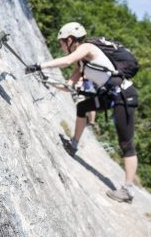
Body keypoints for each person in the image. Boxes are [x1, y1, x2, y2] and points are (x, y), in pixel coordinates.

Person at [25, 22, 138, 204]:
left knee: (126, 143)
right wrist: (46, 81)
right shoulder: (81, 64)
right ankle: (74, 144)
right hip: (110, 96)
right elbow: (68, 87)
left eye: (62, 42)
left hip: (125, 96)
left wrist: (39, 66)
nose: (61, 46)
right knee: (83, 107)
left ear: (70, 40)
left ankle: (128, 190)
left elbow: (66, 61)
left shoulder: (87, 48)